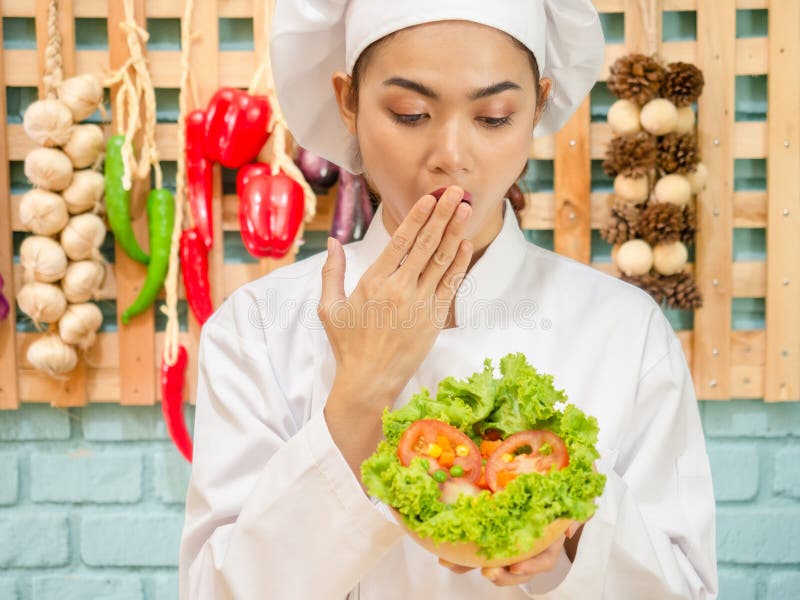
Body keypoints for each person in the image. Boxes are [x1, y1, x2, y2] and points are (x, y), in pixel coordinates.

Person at [178, 1, 718, 598]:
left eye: (493, 117)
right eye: (410, 114)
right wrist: (359, 397)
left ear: (538, 105)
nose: (451, 155)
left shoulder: (625, 329)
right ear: (348, 102)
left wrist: (574, 526)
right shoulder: (258, 327)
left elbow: (686, 589)